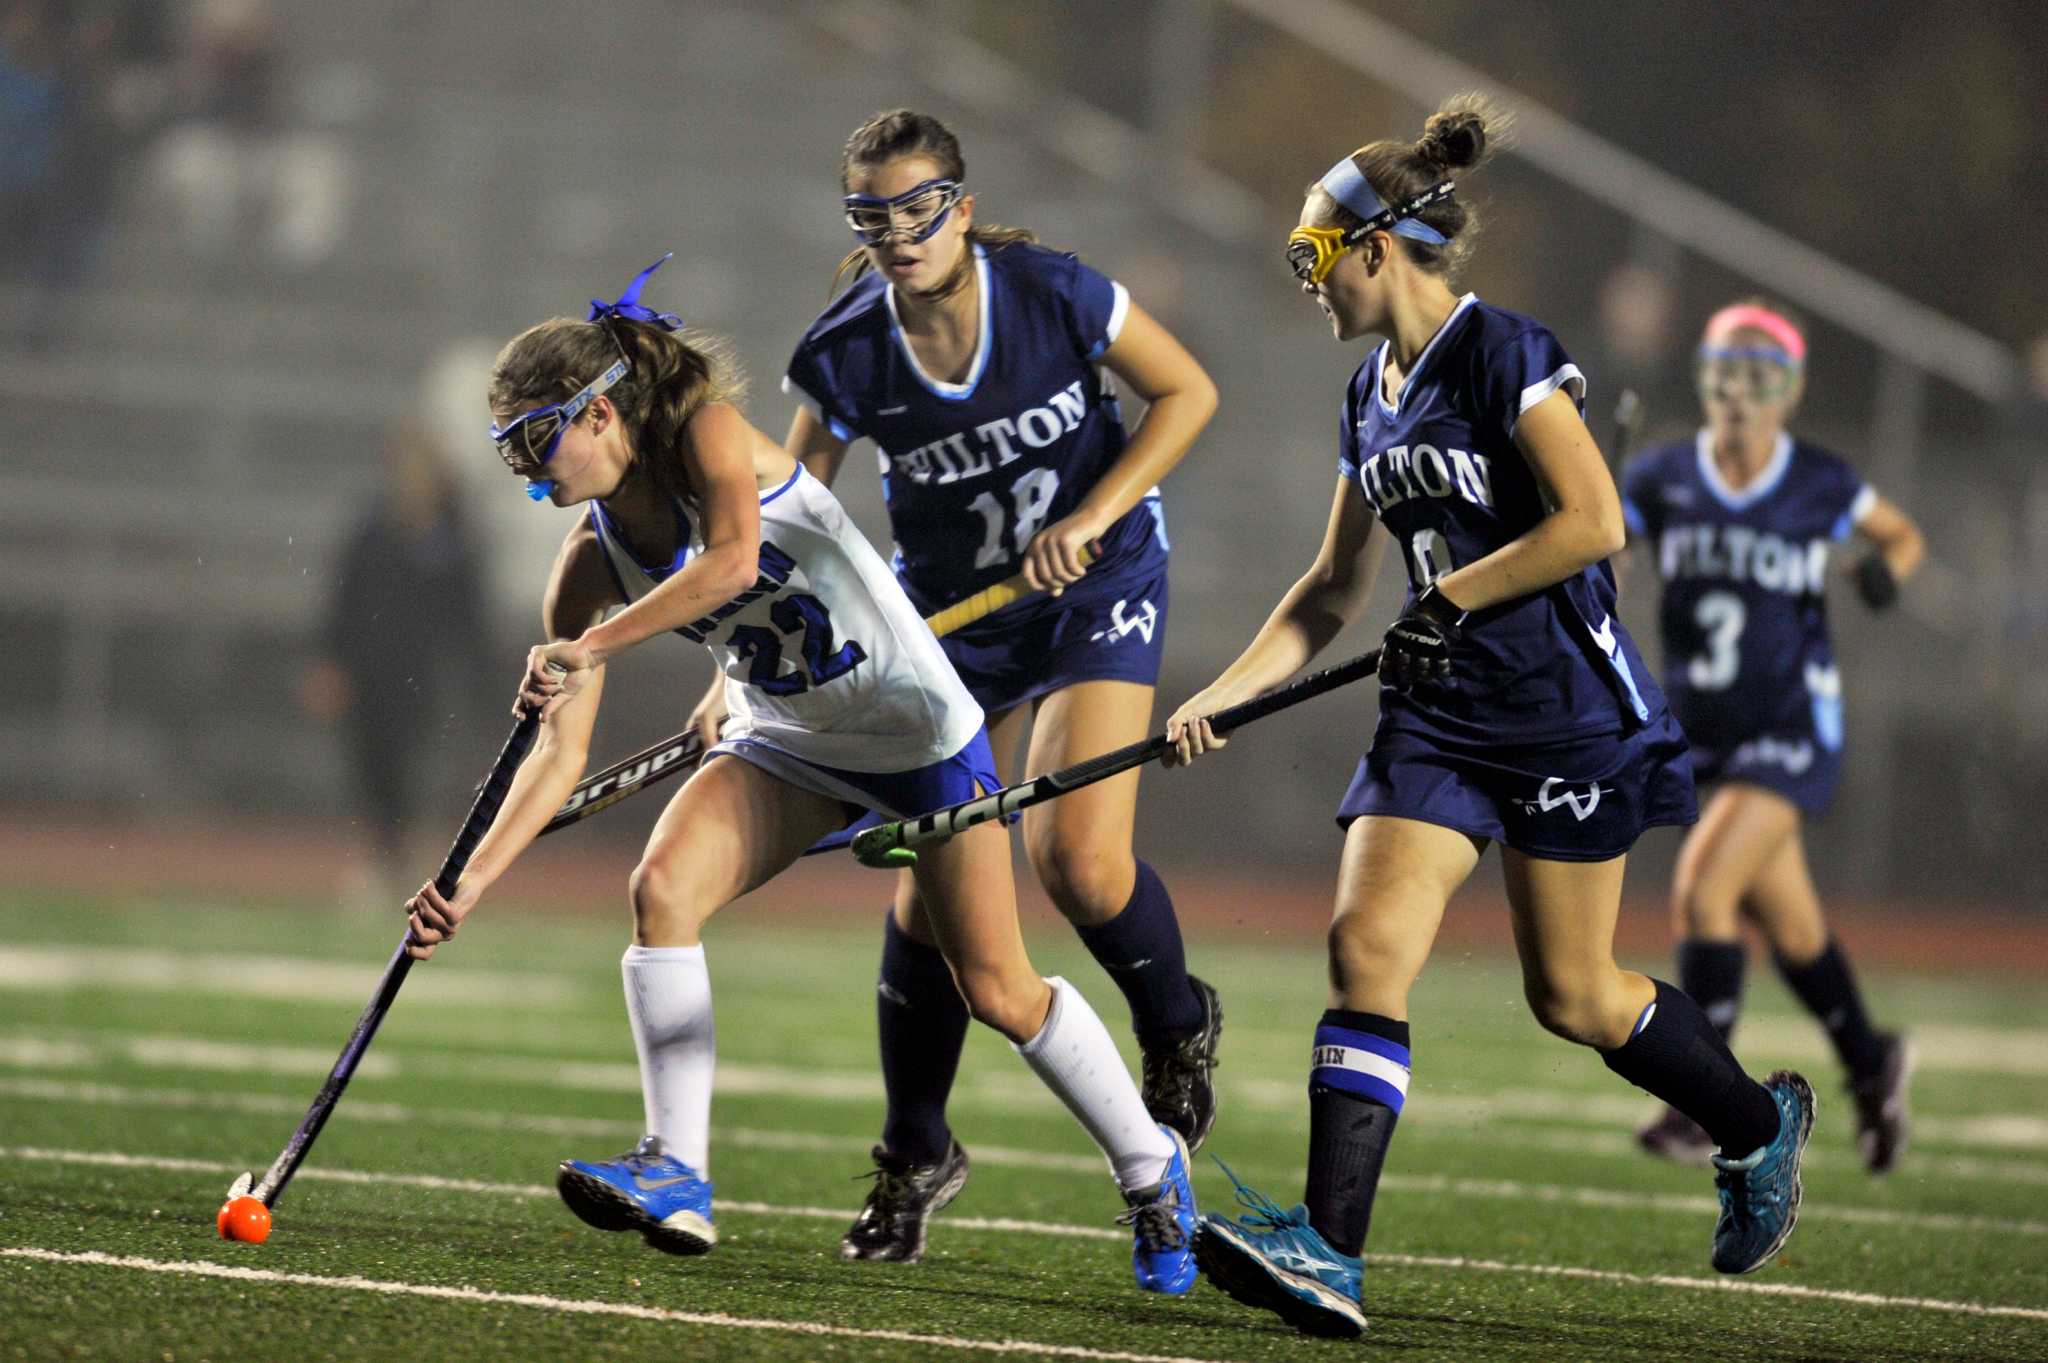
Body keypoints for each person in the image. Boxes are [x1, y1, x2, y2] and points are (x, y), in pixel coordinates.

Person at [399, 256, 1198, 1294]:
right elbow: (560, 756)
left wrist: (594, 650)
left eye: (533, 438)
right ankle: (676, 1167)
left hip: (914, 733)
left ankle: (1150, 1168)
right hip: (788, 740)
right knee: (662, 887)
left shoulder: (710, 435)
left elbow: (729, 563)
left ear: (600, 412)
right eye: (506, 448)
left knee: (997, 989)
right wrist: (466, 882)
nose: (522, 468)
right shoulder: (586, 566)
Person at [1162, 97, 1814, 1338]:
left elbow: (1590, 521)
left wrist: (1450, 592)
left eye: (1310, 254)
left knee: (1570, 996)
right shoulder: (1365, 398)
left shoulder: (1501, 351)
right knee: (1366, 947)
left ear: (1373, 244)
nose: (1302, 279)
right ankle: (1328, 1251)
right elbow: (1331, 591)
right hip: (1439, 715)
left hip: (1564, 712)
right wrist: (1222, 695)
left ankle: (1754, 1125)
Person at [776, 108, 1223, 1262]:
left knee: (1072, 855)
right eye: (871, 216)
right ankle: (915, 1151)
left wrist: (1092, 513)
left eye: (920, 207)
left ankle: (1175, 1021)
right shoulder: (842, 351)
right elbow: (787, 520)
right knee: (931, 901)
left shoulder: (1053, 293)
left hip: (1093, 584)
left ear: (960, 208)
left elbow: (1187, 396)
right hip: (951, 630)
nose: (898, 232)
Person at [1620, 300, 1924, 1173]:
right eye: (1726, 370)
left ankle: (1701, 1096)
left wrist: (1881, 573)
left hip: (1790, 725)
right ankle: (1873, 1064)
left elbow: (1901, 535)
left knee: (1704, 892)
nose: (1740, 391)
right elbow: (1602, 537)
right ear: (1705, 377)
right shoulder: (1664, 473)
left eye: (1761, 375)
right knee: (1791, 927)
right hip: (1706, 733)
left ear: (1789, 392)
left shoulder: (1819, 481)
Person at [300, 421, 495, 905]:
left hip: (423, 674)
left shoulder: (452, 539)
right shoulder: (371, 531)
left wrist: (477, 675)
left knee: (413, 764)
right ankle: (382, 857)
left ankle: (406, 857)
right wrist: (329, 663)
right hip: (369, 670)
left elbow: (468, 614)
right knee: (372, 764)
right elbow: (342, 600)